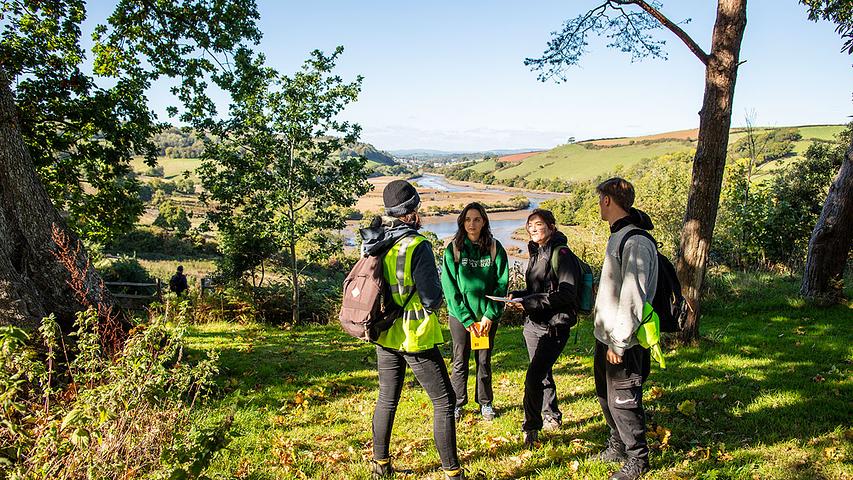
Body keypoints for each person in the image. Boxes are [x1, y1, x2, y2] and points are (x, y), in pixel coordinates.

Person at [360, 179, 465, 480]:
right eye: (418, 207)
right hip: (413, 334)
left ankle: (380, 465)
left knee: (387, 398)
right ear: (410, 212)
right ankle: (452, 473)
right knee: (445, 402)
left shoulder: (376, 242)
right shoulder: (417, 245)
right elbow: (431, 297)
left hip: (383, 331)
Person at [592, 177, 657, 480]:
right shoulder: (617, 235)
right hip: (606, 336)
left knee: (624, 399)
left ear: (607, 200)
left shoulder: (636, 241)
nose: (598, 205)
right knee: (606, 396)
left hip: (624, 342)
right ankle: (617, 443)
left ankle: (638, 458)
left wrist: (618, 342)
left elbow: (633, 295)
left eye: (599, 199)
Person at [508, 208, 581, 447]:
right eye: (530, 225)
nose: (533, 229)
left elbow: (567, 294)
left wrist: (530, 302)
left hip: (555, 326)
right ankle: (552, 415)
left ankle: (531, 428)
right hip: (533, 324)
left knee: (533, 377)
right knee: (542, 372)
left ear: (551, 226)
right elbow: (536, 289)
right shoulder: (536, 252)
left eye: (538, 224)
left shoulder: (562, 253)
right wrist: (519, 296)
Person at [440, 202, 509, 422]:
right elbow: (450, 288)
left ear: (484, 221)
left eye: (477, 219)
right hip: (461, 318)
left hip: (486, 318)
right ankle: (457, 403)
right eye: (468, 219)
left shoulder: (495, 248)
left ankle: (486, 404)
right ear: (462, 222)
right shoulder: (454, 249)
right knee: (459, 360)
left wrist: (489, 315)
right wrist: (466, 318)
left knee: (484, 361)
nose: (472, 224)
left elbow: (501, 284)